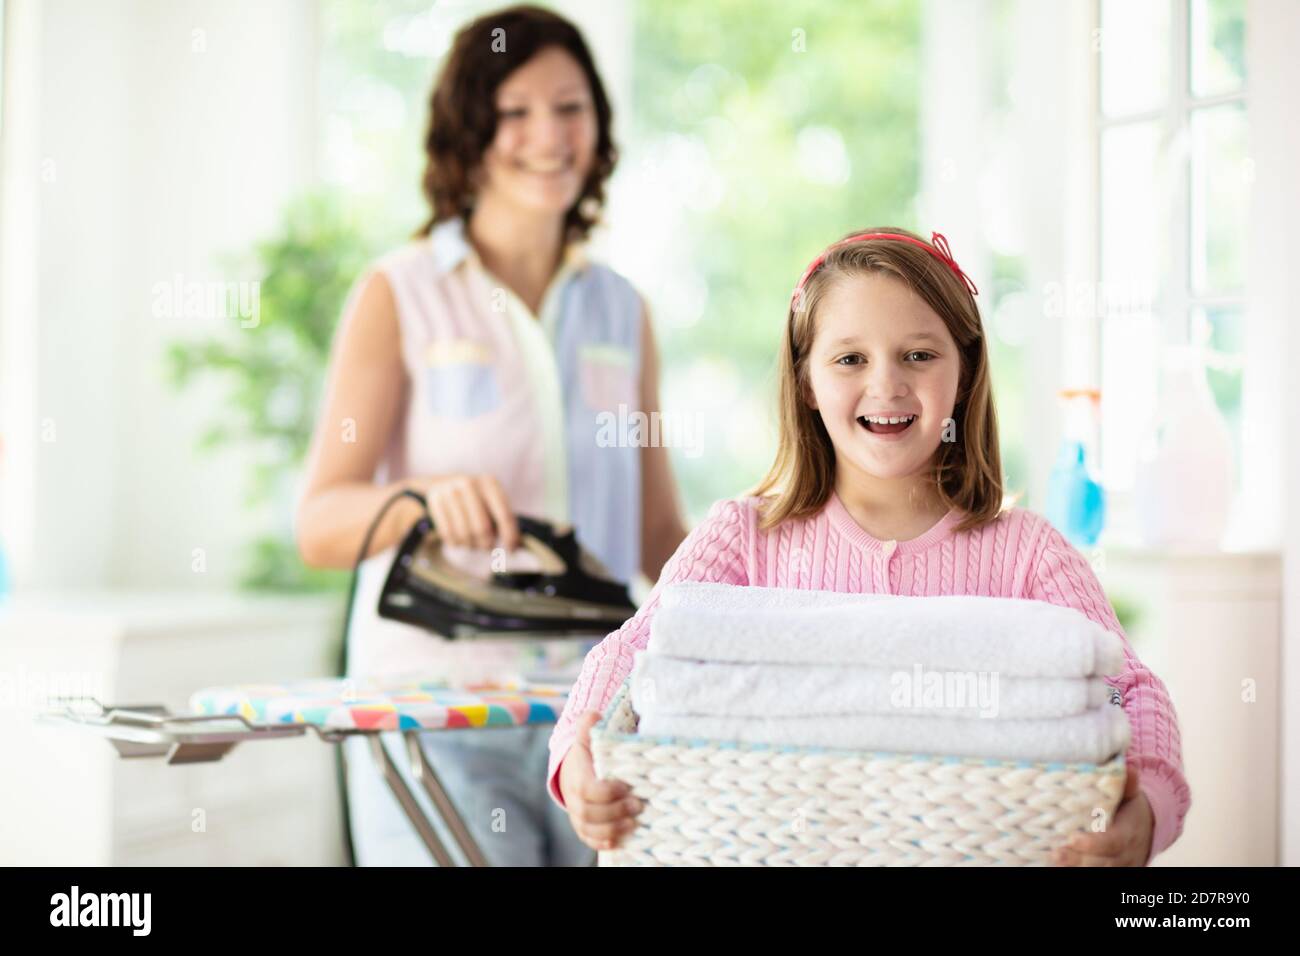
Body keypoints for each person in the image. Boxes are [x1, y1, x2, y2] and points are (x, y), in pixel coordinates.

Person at [549, 227, 1192, 866]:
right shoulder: (743, 538)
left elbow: (1131, 690)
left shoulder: (1027, 553)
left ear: (964, 374)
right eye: (850, 358)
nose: (887, 385)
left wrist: (1148, 812)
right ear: (806, 381)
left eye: (919, 355)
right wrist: (576, 760)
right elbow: (634, 654)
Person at [296, 4, 687, 867]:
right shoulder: (399, 293)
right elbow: (320, 522)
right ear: (468, 130)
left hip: (598, 717)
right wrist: (422, 502)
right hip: (438, 712)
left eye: (570, 107)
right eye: (515, 111)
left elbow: (659, 536)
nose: (548, 135)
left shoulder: (622, 310)